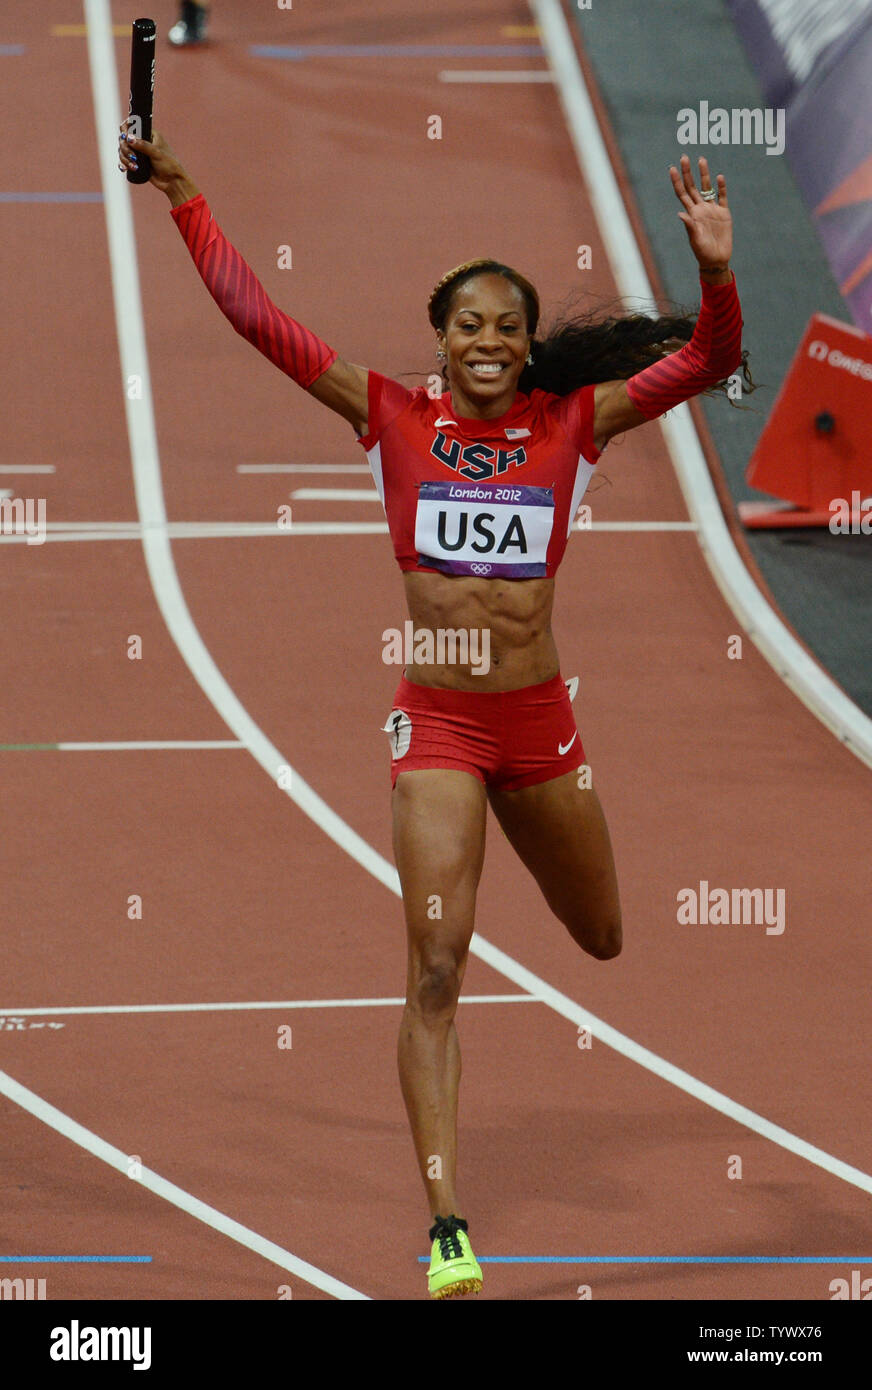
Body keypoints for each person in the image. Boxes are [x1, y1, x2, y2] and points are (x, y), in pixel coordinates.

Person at [118, 122, 747, 1299]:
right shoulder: (387, 419)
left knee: (601, 936)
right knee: (436, 963)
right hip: (442, 728)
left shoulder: (576, 424)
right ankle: (448, 1224)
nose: (491, 343)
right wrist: (188, 194)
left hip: (538, 727)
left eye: (508, 327)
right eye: (470, 325)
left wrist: (713, 268)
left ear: (526, 347)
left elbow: (709, 363)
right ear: (440, 339)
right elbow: (260, 320)